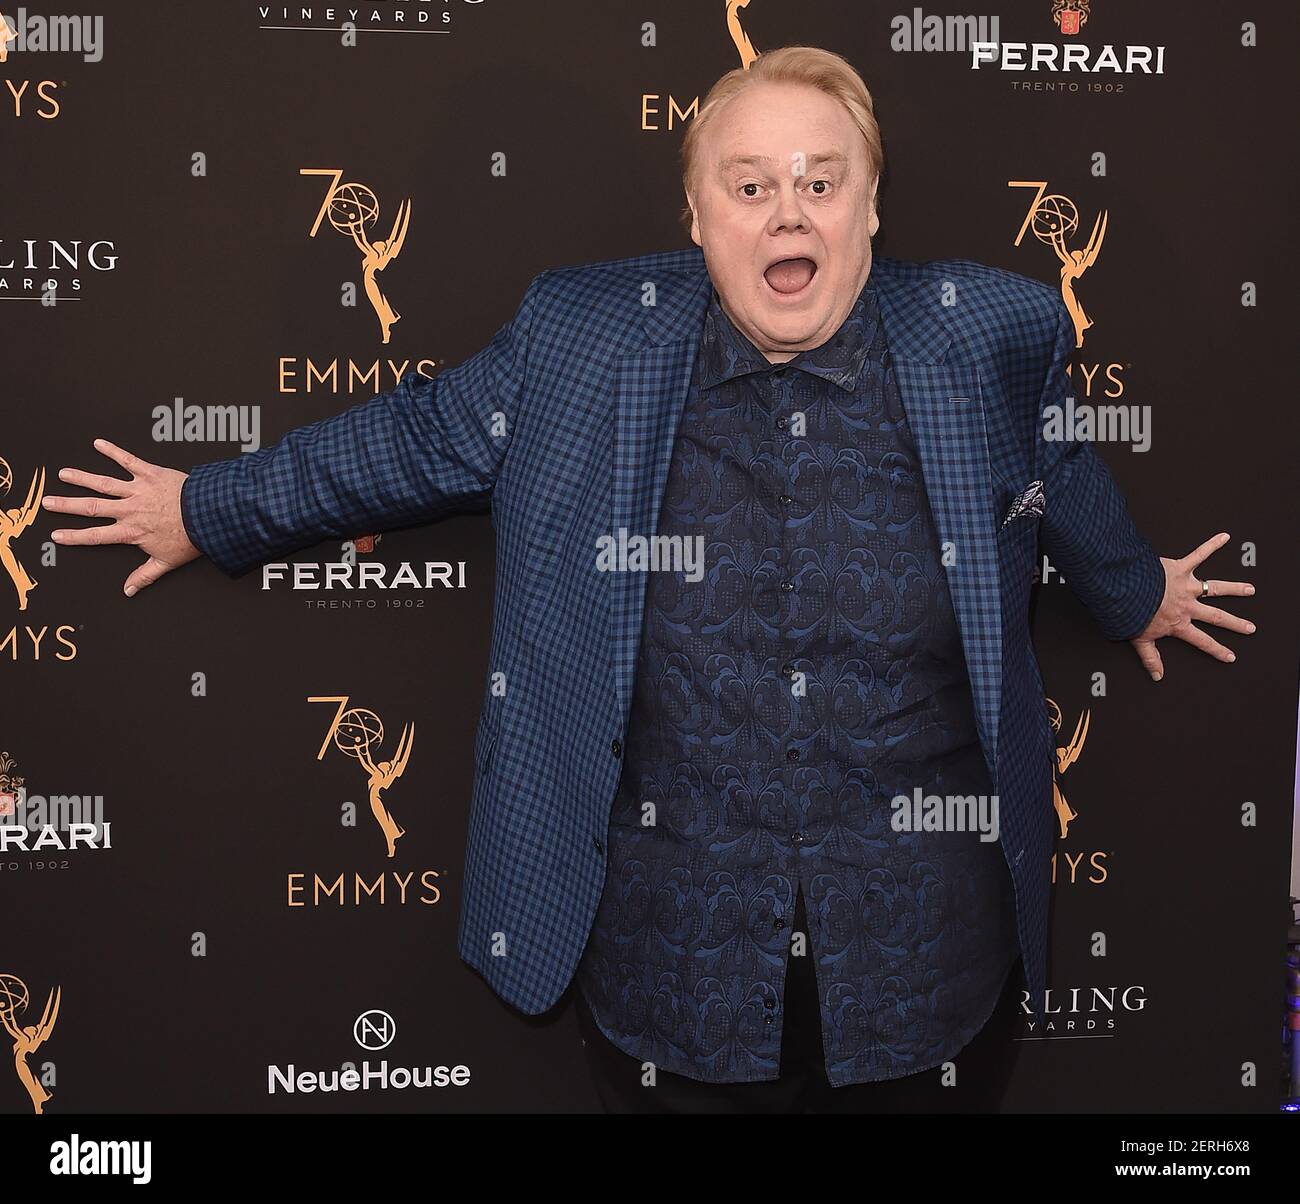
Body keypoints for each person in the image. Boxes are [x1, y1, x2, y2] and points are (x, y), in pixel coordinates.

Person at [41, 46, 1255, 1113]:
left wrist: (1133, 588)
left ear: (870, 207)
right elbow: (409, 444)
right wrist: (204, 507)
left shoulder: (988, 333)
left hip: (924, 975)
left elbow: (1060, 464)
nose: (790, 211)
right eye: (750, 184)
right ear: (696, 214)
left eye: (821, 181)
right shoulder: (580, 337)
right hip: (671, 975)